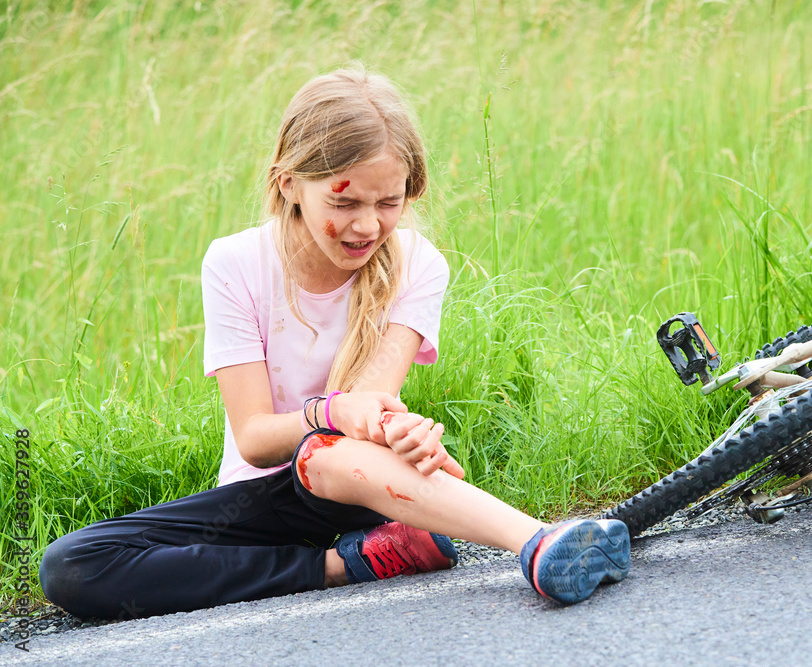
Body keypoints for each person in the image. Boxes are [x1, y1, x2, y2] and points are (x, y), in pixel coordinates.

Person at [38, 66, 630, 620]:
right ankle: (347, 564)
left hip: (359, 480)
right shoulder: (234, 263)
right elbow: (254, 438)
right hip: (262, 496)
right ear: (289, 184)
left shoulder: (418, 265)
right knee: (72, 567)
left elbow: (365, 414)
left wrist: (400, 432)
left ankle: (537, 542)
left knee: (327, 453)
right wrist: (331, 411)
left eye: (389, 203)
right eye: (343, 202)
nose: (368, 225)